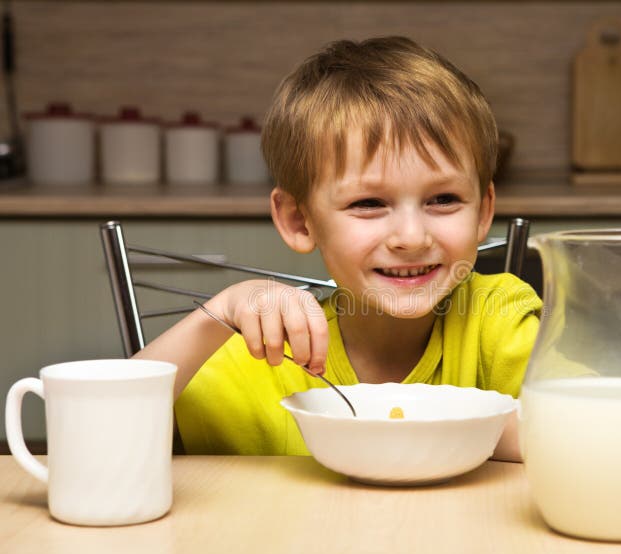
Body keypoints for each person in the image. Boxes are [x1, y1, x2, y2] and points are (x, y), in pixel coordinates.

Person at [135, 36, 542, 460]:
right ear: (298, 220)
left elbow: (595, 440)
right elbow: (97, 442)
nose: (412, 237)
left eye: (443, 199)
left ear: (482, 212)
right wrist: (219, 313)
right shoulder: (263, 355)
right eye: (368, 203)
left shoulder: (499, 322)